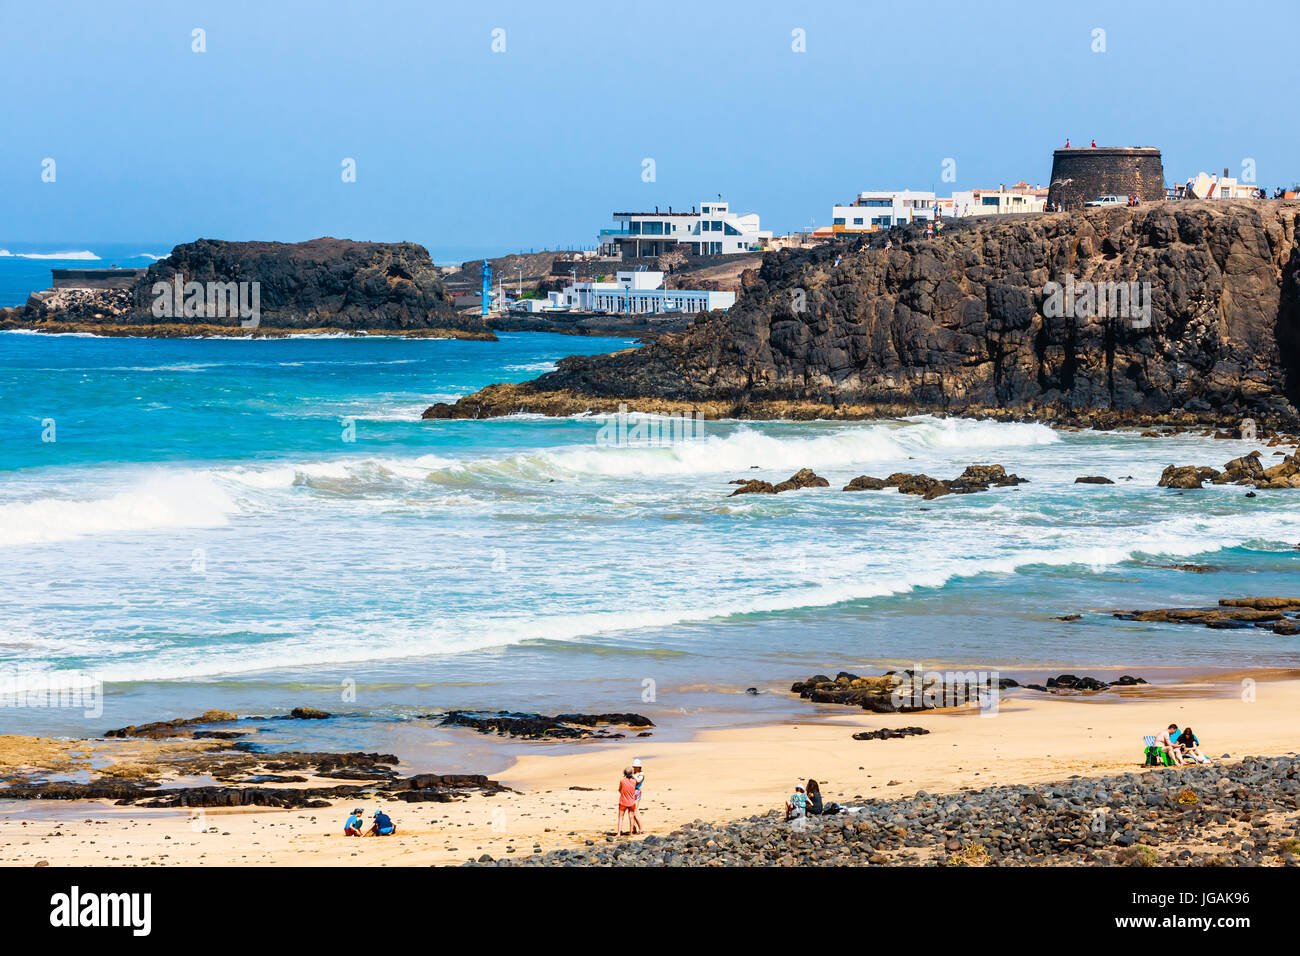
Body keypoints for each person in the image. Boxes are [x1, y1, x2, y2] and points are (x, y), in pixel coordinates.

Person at [617, 767, 642, 835]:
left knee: (620, 818)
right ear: (632, 774)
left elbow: (619, 789)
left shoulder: (622, 780)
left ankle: (619, 833)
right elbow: (638, 781)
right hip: (631, 802)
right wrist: (633, 775)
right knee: (631, 818)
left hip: (623, 801)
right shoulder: (634, 781)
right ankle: (631, 833)